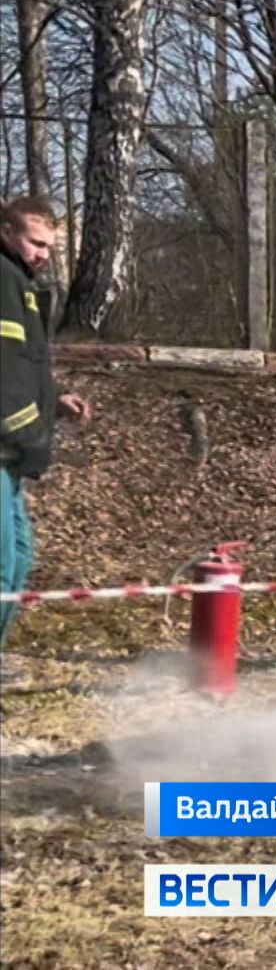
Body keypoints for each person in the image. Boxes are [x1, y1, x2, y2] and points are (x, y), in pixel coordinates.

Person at [0, 196, 90, 668]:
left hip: (12, 454)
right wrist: (21, 427)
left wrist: (52, 403)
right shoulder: (2, 280)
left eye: (50, 248)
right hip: (6, 446)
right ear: (6, 231)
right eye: (35, 243)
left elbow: (22, 368)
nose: (42, 254)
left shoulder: (23, 286)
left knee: (18, 558)